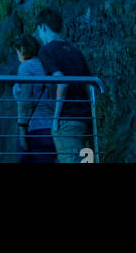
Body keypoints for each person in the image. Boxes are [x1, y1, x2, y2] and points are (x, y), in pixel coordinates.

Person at [34, 8, 93, 163]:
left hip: (67, 118)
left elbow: (61, 81)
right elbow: (89, 84)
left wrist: (56, 118)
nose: (39, 36)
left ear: (44, 27)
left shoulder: (47, 51)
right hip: (85, 119)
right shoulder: (75, 51)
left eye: (39, 30)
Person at [12, 33, 56, 163]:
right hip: (51, 127)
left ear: (22, 50)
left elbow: (26, 101)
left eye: (17, 51)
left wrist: (22, 128)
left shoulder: (26, 67)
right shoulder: (46, 65)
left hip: (35, 126)